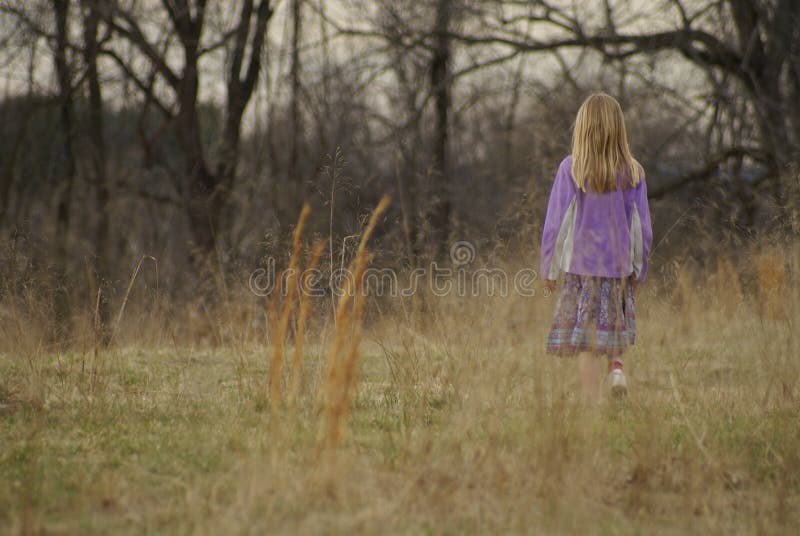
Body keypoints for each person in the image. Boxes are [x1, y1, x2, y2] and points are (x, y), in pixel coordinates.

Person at [540, 92, 652, 401]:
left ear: (582, 128)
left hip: (581, 272)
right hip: (618, 270)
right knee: (613, 328)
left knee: (587, 342)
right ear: (619, 129)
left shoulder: (571, 170)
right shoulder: (633, 172)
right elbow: (642, 229)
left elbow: (556, 223)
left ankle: (591, 405)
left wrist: (549, 267)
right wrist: (638, 270)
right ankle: (616, 369)